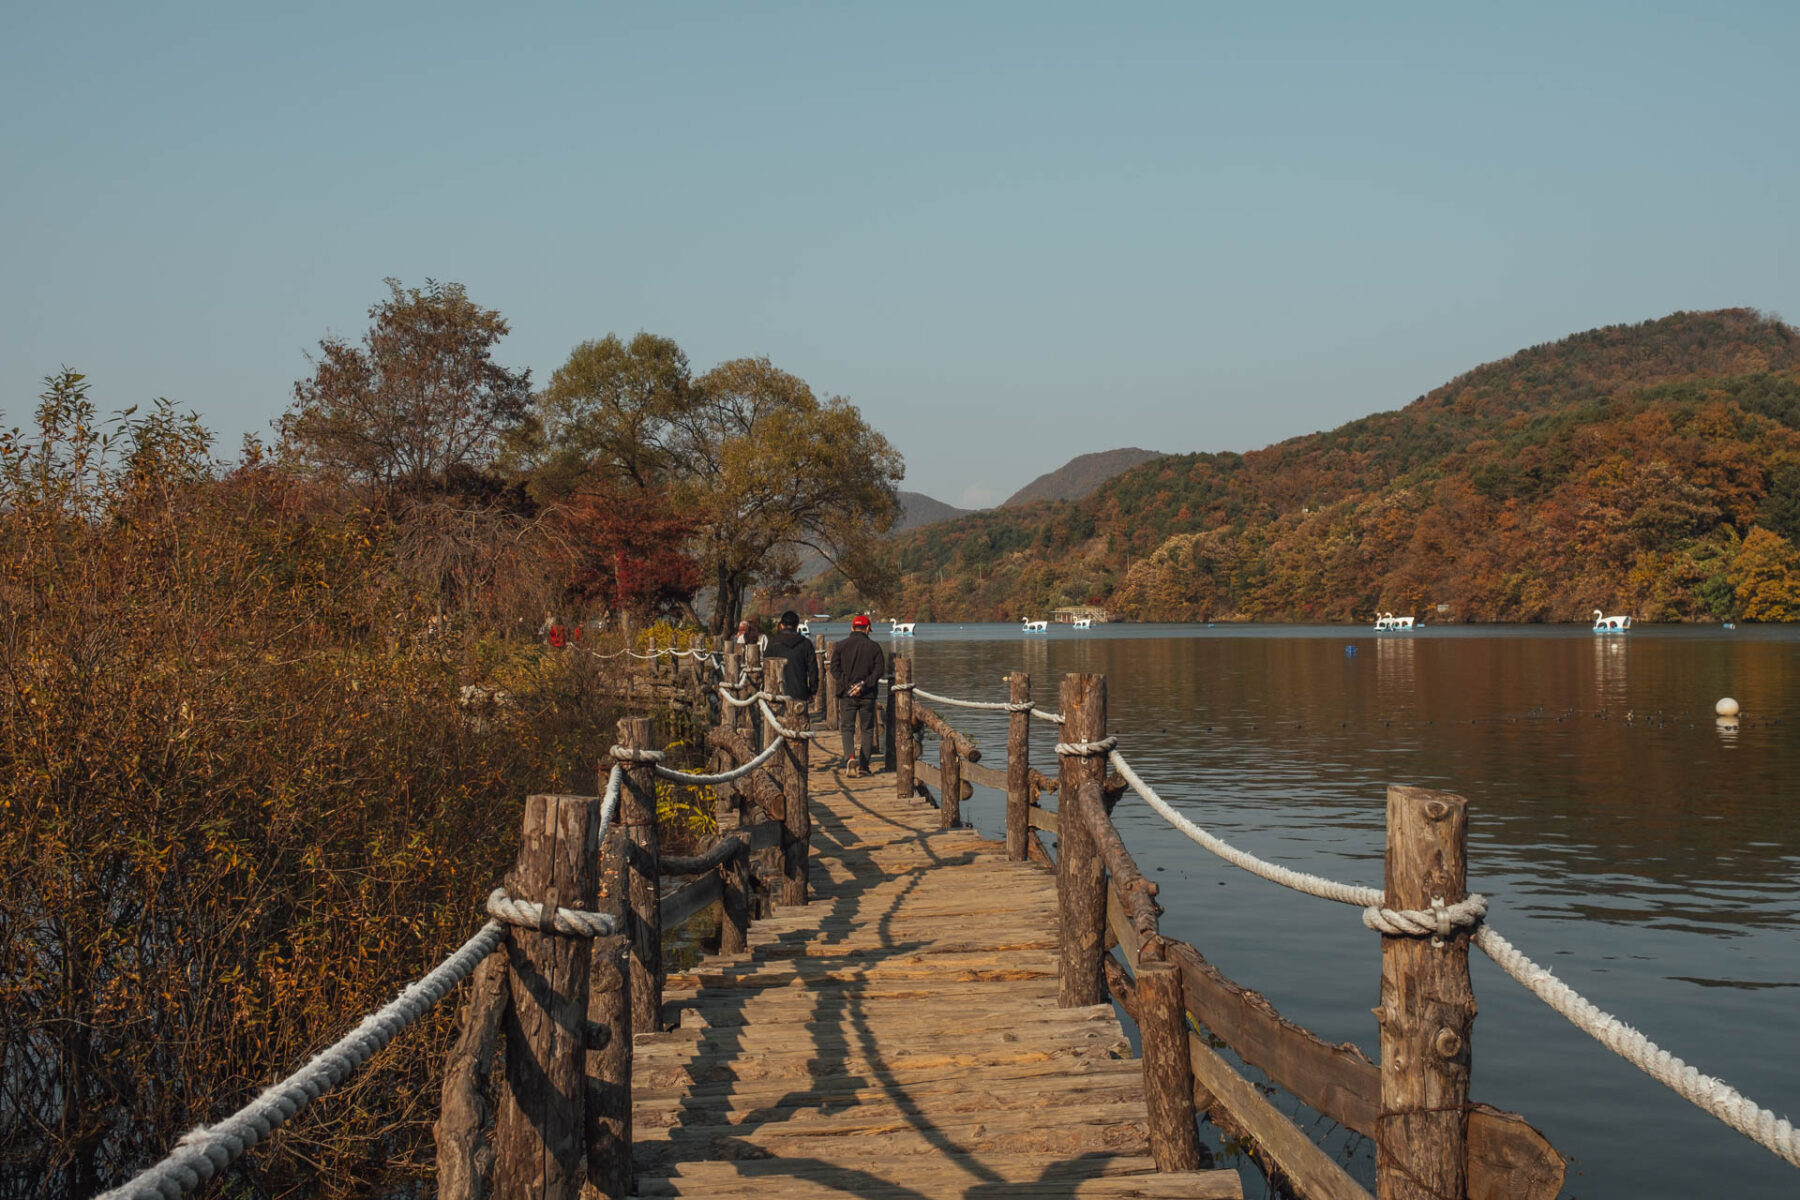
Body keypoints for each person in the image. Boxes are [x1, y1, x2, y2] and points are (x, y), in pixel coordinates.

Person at [829, 614, 885, 776]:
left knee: (847, 728)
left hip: (847, 694)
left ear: (852, 628)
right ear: (867, 629)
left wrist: (848, 685)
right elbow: (879, 670)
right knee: (867, 729)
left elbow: (834, 668)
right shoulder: (874, 647)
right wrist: (864, 684)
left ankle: (850, 757)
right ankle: (864, 766)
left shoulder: (840, 646)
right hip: (867, 695)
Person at [765, 611, 819, 706]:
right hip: (800, 692)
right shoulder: (806, 643)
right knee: (801, 719)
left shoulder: (773, 643)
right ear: (797, 625)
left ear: (781, 625)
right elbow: (813, 670)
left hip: (776, 692)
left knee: (776, 719)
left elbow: (766, 668)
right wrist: (813, 691)